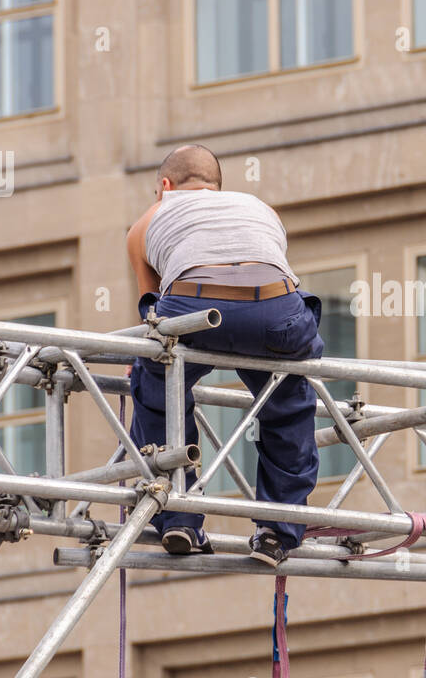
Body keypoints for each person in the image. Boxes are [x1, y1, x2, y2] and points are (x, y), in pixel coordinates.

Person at [125, 144, 323, 566]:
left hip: (195, 308)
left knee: (159, 383)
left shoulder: (148, 220)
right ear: (218, 187)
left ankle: (177, 515)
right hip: (274, 308)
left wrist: (147, 362)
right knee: (286, 397)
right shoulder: (259, 207)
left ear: (165, 186)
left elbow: (152, 307)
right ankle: (278, 530)